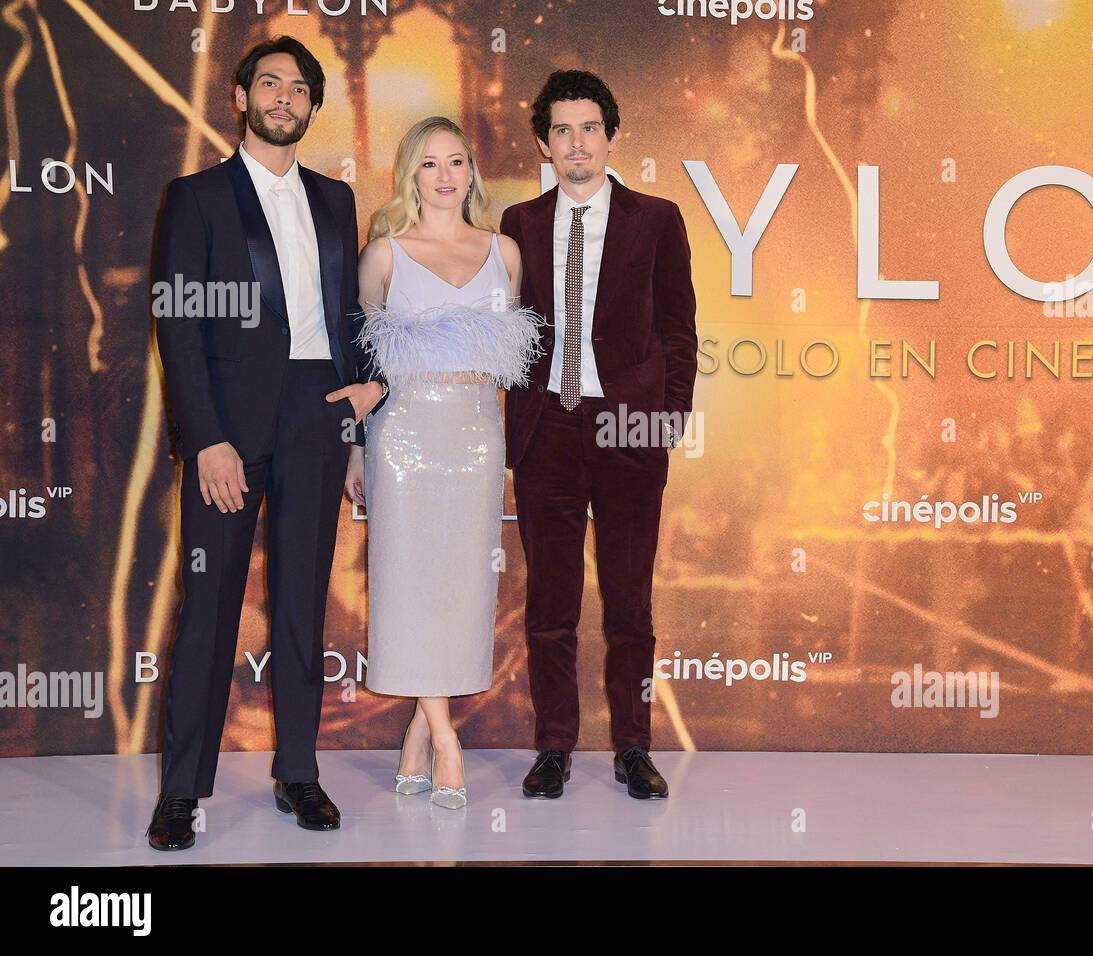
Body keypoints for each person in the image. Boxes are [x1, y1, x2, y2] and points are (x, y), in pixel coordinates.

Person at [146, 36, 386, 851]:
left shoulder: (334, 200)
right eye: (270, 84)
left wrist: (353, 428)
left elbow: (348, 319)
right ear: (241, 98)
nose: (285, 98)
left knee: (300, 608)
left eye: (300, 89)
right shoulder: (197, 197)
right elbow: (177, 324)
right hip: (229, 428)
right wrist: (205, 439)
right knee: (209, 609)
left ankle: (298, 772)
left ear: (314, 107)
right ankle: (182, 790)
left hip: (316, 414)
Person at [500, 70, 698, 800]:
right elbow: (511, 328)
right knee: (550, 603)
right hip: (548, 427)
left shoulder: (658, 218)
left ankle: (633, 748)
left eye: (590, 127)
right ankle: (554, 745)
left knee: (629, 602)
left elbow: (680, 328)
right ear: (544, 144)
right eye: (562, 130)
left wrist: (665, 416)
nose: (576, 142)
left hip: (629, 430)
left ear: (612, 136)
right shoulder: (518, 223)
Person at [348, 117, 539, 809]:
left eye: (457, 161)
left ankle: (417, 739)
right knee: (408, 585)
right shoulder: (384, 255)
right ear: (411, 176)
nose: (446, 175)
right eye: (431, 164)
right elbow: (361, 364)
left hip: (477, 433)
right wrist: (354, 449)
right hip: (403, 437)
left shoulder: (505, 253)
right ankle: (446, 736)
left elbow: (512, 365)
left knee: (460, 588)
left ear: (471, 172)